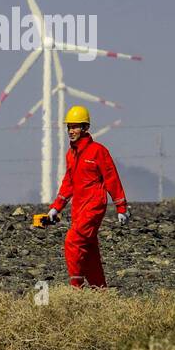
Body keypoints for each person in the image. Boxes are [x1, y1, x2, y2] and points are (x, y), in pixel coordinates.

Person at [47, 105, 128, 288]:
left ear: (85, 128)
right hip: (78, 208)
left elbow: (112, 178)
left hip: (94, 206)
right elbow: (68, 183)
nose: (71, 131)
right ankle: (101, 291)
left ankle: (75, 289)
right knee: (90, 251)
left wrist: (121, 207)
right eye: (69, 127)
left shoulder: (98, 151)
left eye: (75, 126)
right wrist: (56, 207)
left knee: (72, 241)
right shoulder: (71, 154)